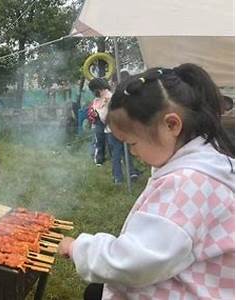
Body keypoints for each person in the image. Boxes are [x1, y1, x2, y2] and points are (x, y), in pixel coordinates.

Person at [58, 64, 235, 299]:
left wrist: (79, 248)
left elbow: (137, 261)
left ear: (171, 125)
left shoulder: (189, 182)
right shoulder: (205, 166)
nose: (132, 152)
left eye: (132, 143)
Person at [88, 78, 139, 183]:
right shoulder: (110, 97)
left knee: (116, 154)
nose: (93, 93)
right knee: (124, 151)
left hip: (112, 130)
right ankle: (131, 172)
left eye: (93, 90)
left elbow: (103, 117)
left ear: (97, 89)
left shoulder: (101, 100)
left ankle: (118, 177)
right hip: (121, 128)